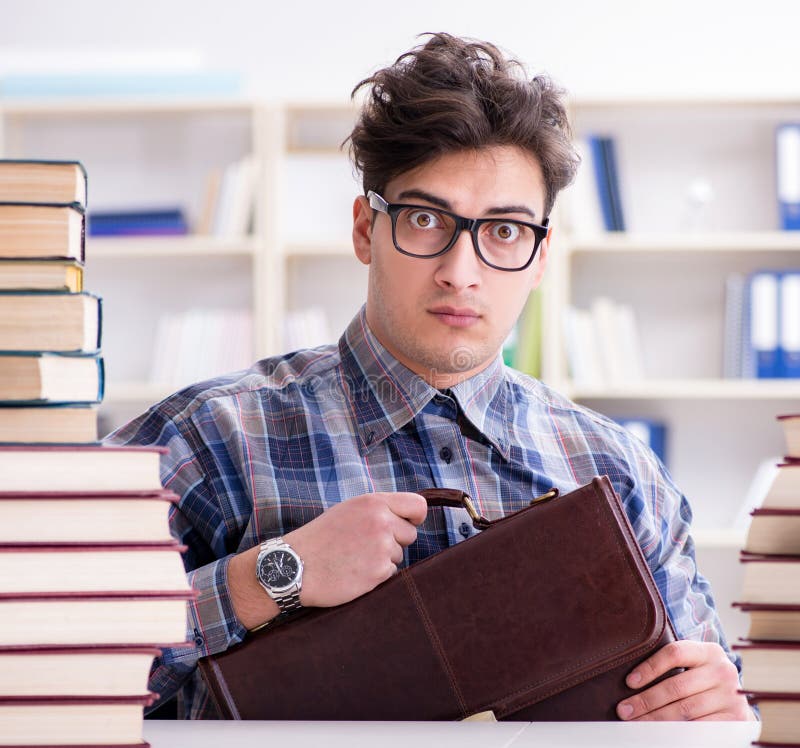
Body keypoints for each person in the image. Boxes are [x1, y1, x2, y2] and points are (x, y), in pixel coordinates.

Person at [107, 32, 754, 722]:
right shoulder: (207, 438)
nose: (461, 271)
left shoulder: (620, 470)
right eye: (424, 219)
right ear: (365, 229)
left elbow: (704, 700)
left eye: (503, 232)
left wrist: (719, 711)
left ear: (540, 257)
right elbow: (36, 664)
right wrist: (276, 576)